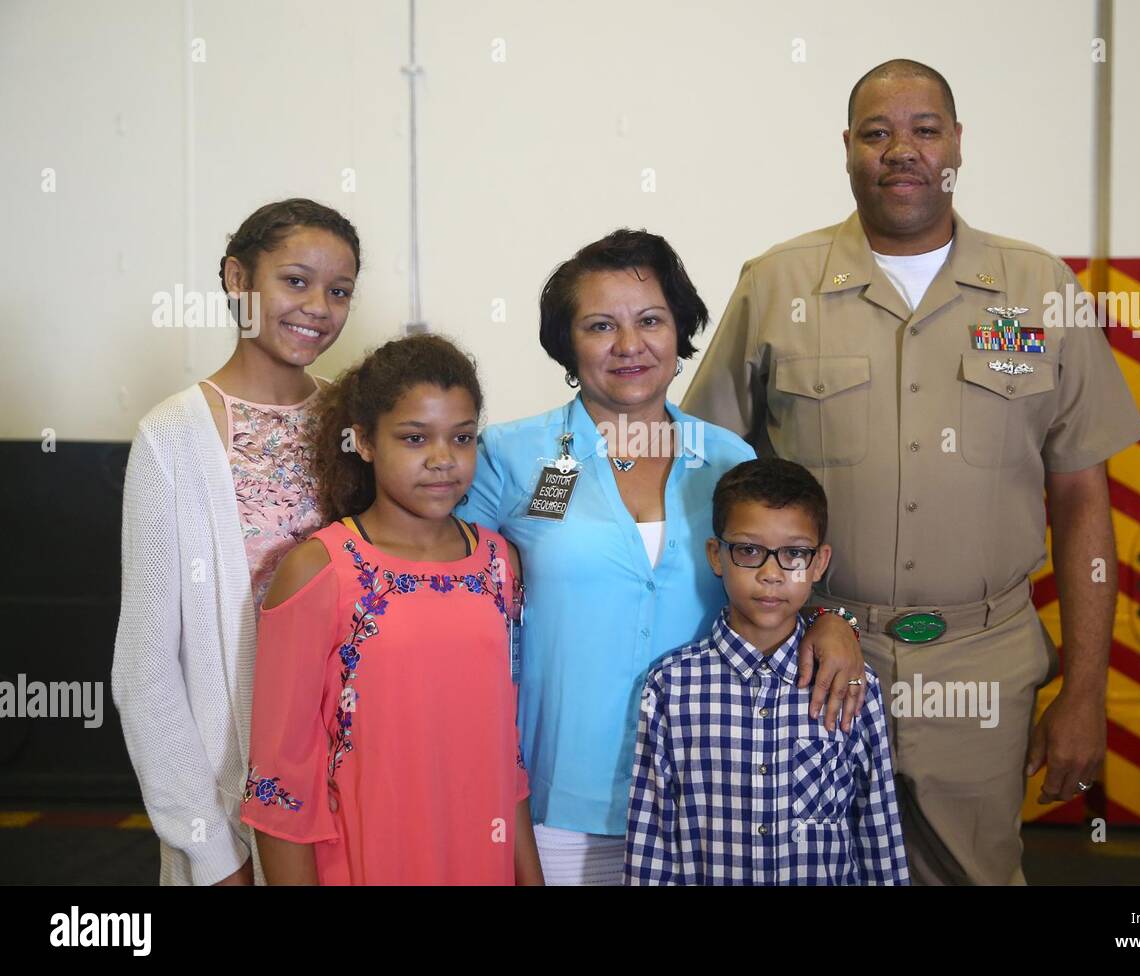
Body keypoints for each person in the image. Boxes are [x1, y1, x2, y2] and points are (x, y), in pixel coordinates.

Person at [682, 59, 1140, 885]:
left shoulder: (1036, 291)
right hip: (809, 658)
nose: (903, 149)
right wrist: (804, 611)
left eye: (925, 130)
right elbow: (712, 472)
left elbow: (1081, 498)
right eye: (877, 132)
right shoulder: (777, 283)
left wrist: (1085, 690)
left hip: (983, 664)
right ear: (849, 151)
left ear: (957, 144)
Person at [456, 229, 865, 885]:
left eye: (651, 320)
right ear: (568, 343)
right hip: (561, 795)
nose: (629, 346)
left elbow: (776, 576)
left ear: (681, 333)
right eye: (599, 326)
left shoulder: (730, 458)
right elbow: (433, 582)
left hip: (710, 794)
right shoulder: (508, 456)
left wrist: (832, 617)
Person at [112, 198, 361, 885]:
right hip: (233, 806)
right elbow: (145, 669)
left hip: (354, 786)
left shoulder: (359, 420)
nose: (318, 306)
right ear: (237, 279)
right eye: (295, 280)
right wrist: (209, 849)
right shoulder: (174, 435)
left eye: (338, 291)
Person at [240, 334, 543, 885]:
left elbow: (507, 757)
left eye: (463, 437)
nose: (443, 459)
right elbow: (280, 780)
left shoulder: (499, 563)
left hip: (481, 857)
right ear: (365, 442)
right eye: (414, 437)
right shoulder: (320, 571)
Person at [625, 458, 909, 885]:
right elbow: (653, 840)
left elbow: (877, 830)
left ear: (819, 562)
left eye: (794, 553)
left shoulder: (853, 686)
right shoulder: (670, 687)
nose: (772, 574)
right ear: (716, 556)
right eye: (749, 550)